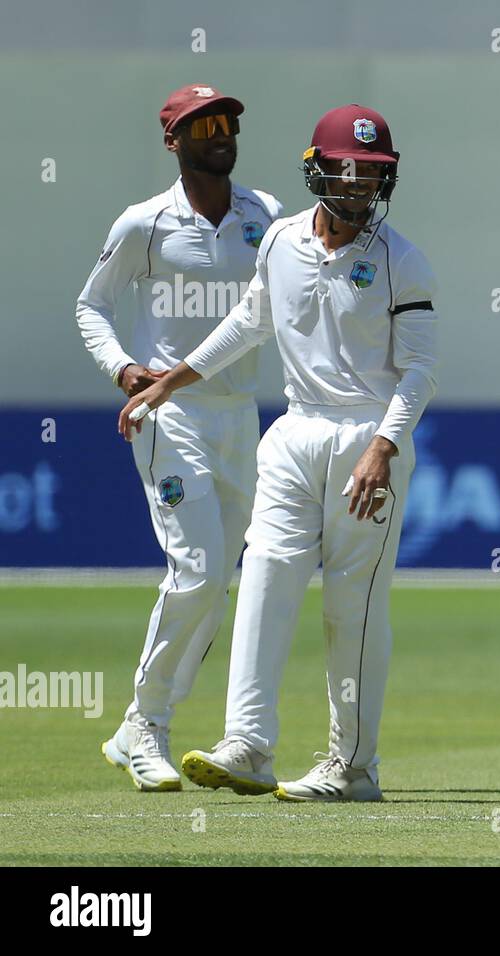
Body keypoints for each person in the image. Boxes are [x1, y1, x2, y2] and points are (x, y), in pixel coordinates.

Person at [119, 104, 438, 803]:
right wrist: (172, 380)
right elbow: (249, 321)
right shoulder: (282, 240)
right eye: (347, 175)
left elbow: (419, 372)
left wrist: (385, 447)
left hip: (367, 438)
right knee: (264, 578)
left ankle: (353, 767)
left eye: (372, 177)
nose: (359, 191)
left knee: (351, 604)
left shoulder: (400, 260)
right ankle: (250, 743)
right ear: (317, 172)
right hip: (293, 433)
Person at [78, 84, 280, 791]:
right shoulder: (146, 224)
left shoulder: (266, 216)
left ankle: (137, 724)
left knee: (215, 587)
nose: (220, 133)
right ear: (174, 142)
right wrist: (125, 370)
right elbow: (92, 306)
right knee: (195, 571)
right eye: (202, 127)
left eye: (226, 122)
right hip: (170, 418)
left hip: (241, 418)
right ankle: (149, 728)